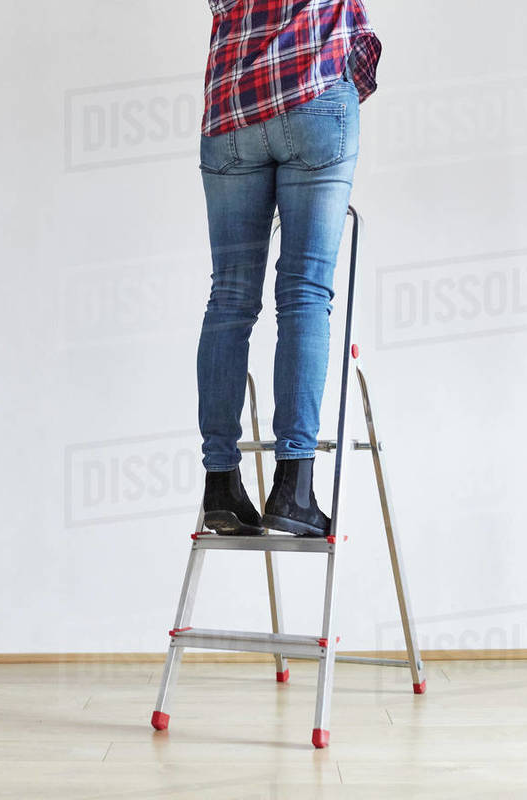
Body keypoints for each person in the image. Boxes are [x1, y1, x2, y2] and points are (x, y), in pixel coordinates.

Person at [196, 0, 381, 538]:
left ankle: (220, 485)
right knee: (303, 293)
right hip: (314, 89)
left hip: (232, 107)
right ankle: (292, 488)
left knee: (229, 298)